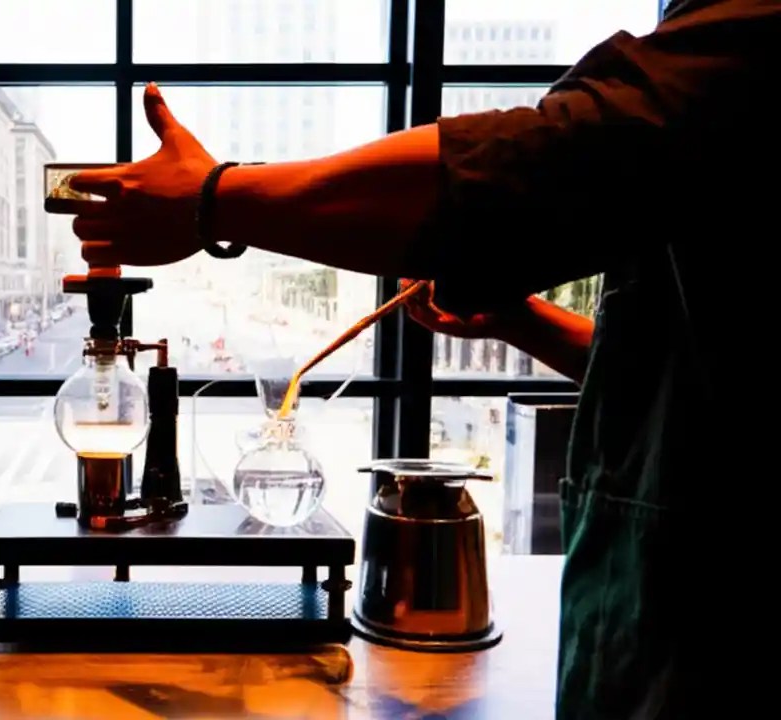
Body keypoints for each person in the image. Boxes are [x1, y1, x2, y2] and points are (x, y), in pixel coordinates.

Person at [63, 1, 776, 717]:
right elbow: (672, 375)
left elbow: (547, 167)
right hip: (643, 639)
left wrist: (215, 199)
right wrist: (518, 321)